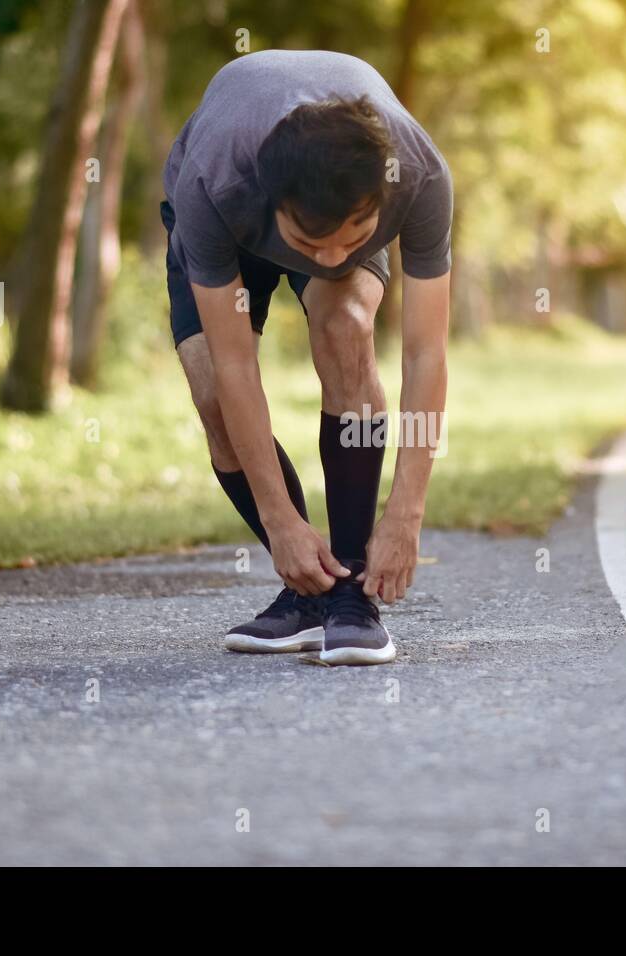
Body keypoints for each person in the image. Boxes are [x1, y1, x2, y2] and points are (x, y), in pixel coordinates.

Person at [160, 50, 453, 666]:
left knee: (347, 326)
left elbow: (426, 354)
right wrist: (280, 524)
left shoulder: (420, 175)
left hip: (325, 201)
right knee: (214, 390)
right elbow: (238, 365)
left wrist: (405, 515)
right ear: (274, 208)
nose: (328, 258)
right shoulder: (215, 183)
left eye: (353, 236)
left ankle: (349, 594)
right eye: (308, 243)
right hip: (226, 229)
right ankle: (305, 589)